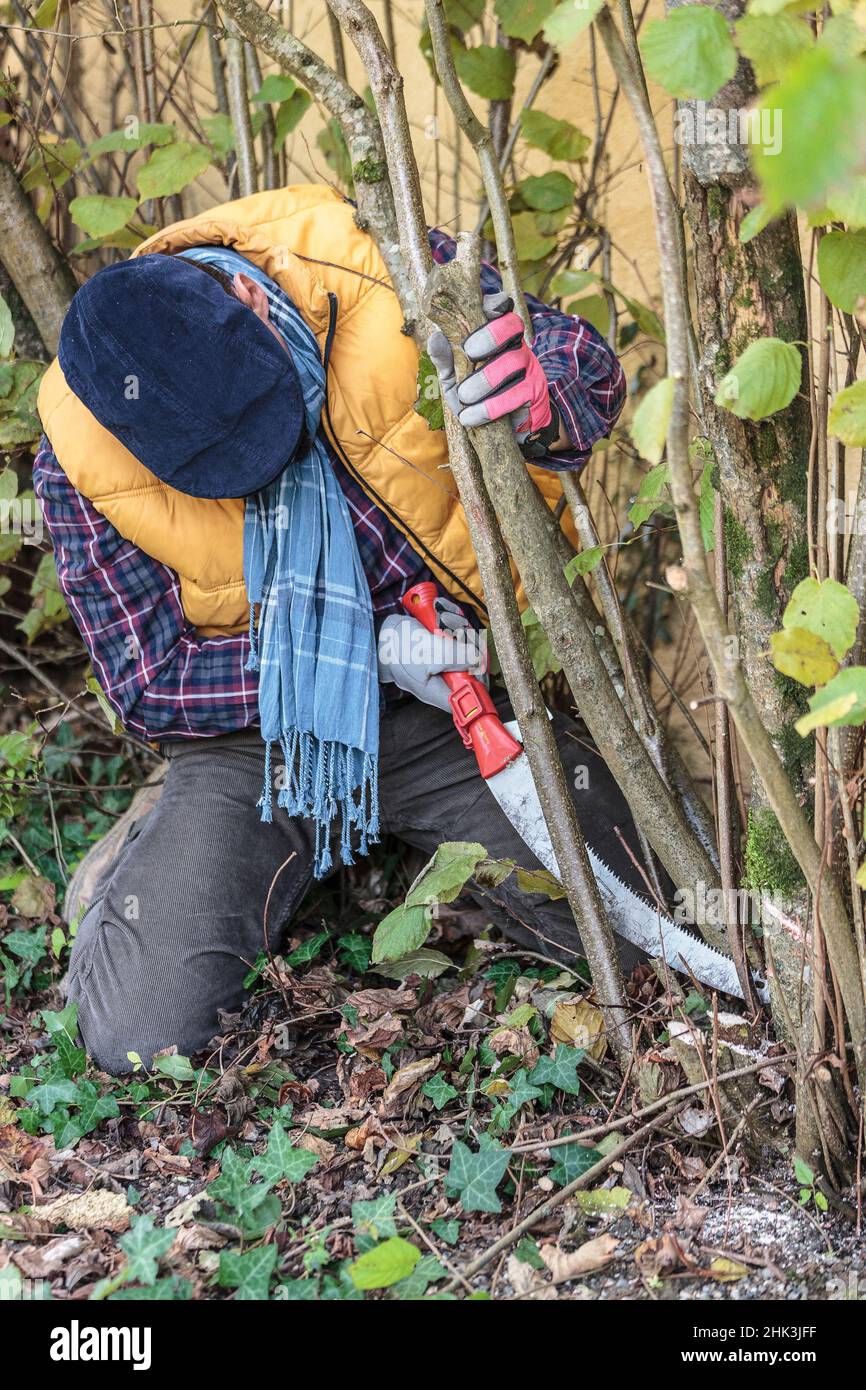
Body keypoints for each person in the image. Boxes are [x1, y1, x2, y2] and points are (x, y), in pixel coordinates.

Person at [35, 183, 639, 1076]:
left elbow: (576, 363)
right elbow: (150, 679)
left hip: (451, 706)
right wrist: (365, 656)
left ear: (246, 297)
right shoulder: (82, 448)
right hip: (262, 739)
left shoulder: (360, 256)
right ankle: (153, 856)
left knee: (641, 934)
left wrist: (547, 392)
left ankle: (393, 857)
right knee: (139, 1037)